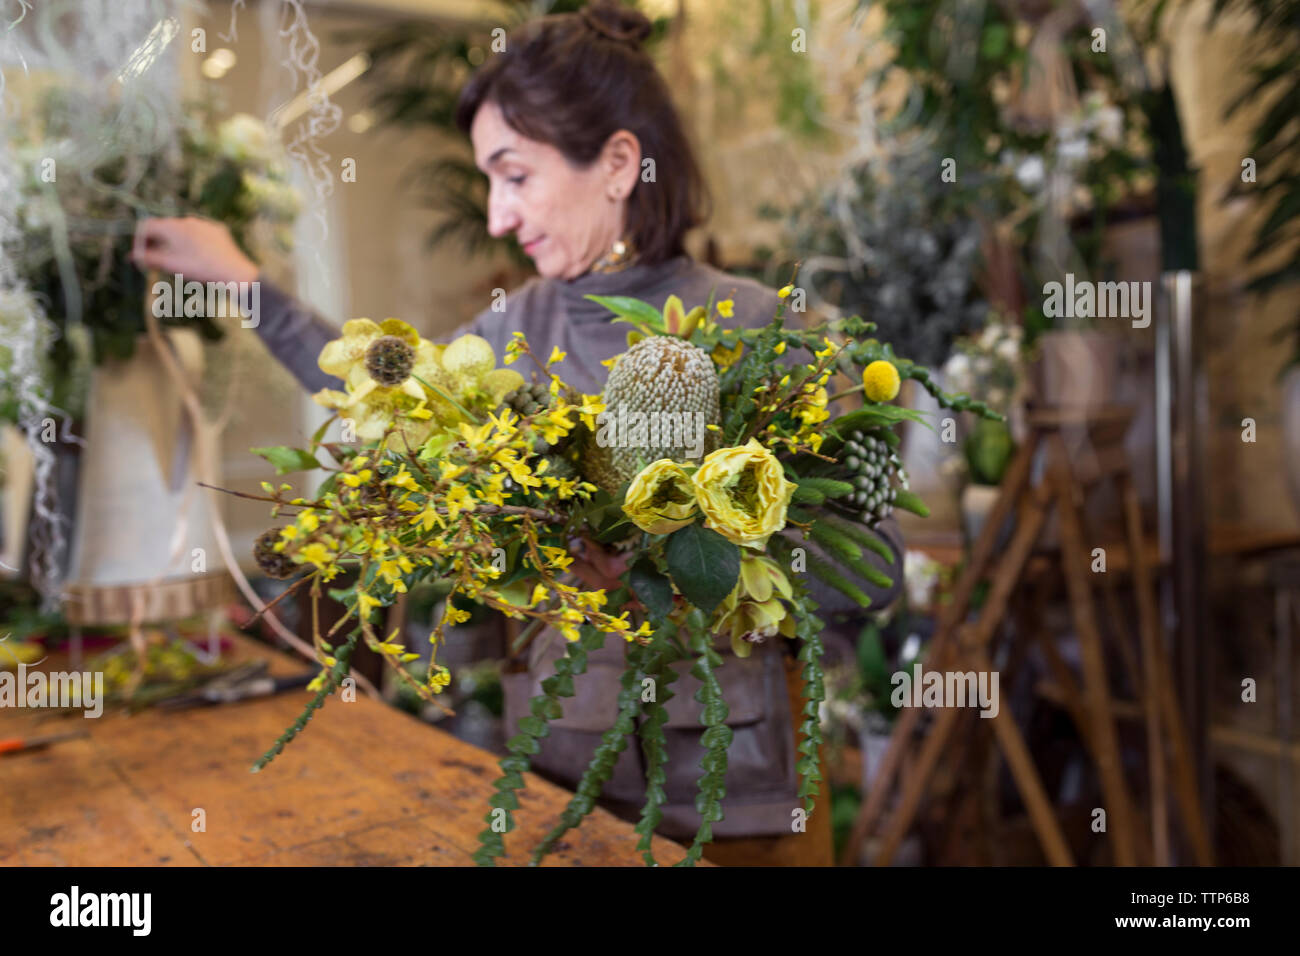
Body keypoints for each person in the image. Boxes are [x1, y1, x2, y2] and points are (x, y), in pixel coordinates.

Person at [132, 1, 902, 865]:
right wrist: (239, 280)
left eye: (515, 175)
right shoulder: (509, 337)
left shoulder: (767, 331)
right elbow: (384, 386)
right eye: (488, 182)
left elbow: (870, 576)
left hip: (740, 810)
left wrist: (692, 554)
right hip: (554, 787)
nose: (497, 216)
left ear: (617, 164)